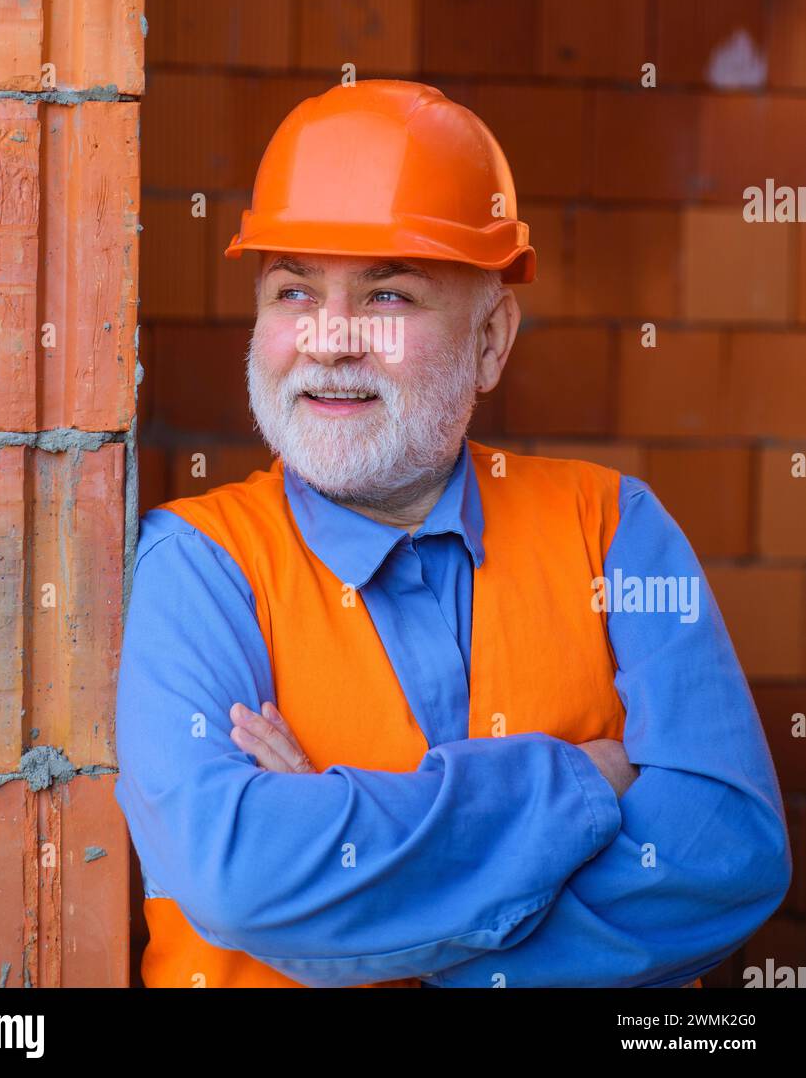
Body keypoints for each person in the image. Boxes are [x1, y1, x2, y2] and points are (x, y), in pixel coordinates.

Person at [115, 79, 791, 989]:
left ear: (490, 342)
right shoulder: (196, 564)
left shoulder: (613, 529)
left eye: (388, 296)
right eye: (292, 291)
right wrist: (581, 785)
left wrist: (346, 865)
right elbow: (241, 878)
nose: (329, 340)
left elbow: (725, 855)